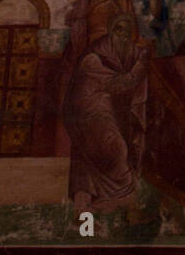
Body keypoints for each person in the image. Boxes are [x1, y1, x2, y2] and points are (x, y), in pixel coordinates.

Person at [64, 14, 150, 212]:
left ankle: (92, 203)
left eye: (128, 31)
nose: (123, 35)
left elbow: (133, 60)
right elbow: (121, 83)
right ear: (111, 31)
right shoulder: (93, 58)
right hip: (88, 111)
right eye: (118, 30)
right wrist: (141, 64)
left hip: (106, 108)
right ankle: (121, 197)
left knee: (95, 156)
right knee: (115, 148)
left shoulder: (124, 51)